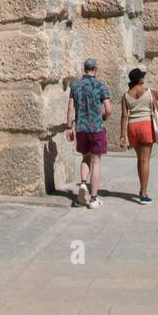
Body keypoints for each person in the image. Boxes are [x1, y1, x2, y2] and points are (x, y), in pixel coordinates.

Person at [66, 58, 111, 208]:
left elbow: (70, 108)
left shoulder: (75, 85)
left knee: (85, 157)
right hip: (96, 128)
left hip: (81, 128)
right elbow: (108, 108)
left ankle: (83, 184)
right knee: (96, 161)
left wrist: (68, 126)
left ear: (84, 68)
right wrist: (103, 116)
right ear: (95, 69)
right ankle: (93, 198)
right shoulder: (100, 85)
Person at [119, 66, 158, 204]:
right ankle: (144, 193)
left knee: (139, 159)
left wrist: (123, 135)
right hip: (146, 125)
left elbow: (124, 116)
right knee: (145, 160)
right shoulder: (149, 92)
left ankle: (141, 188)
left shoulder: (126, 95)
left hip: (132, 127)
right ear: (140, 79)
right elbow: (155, 109)